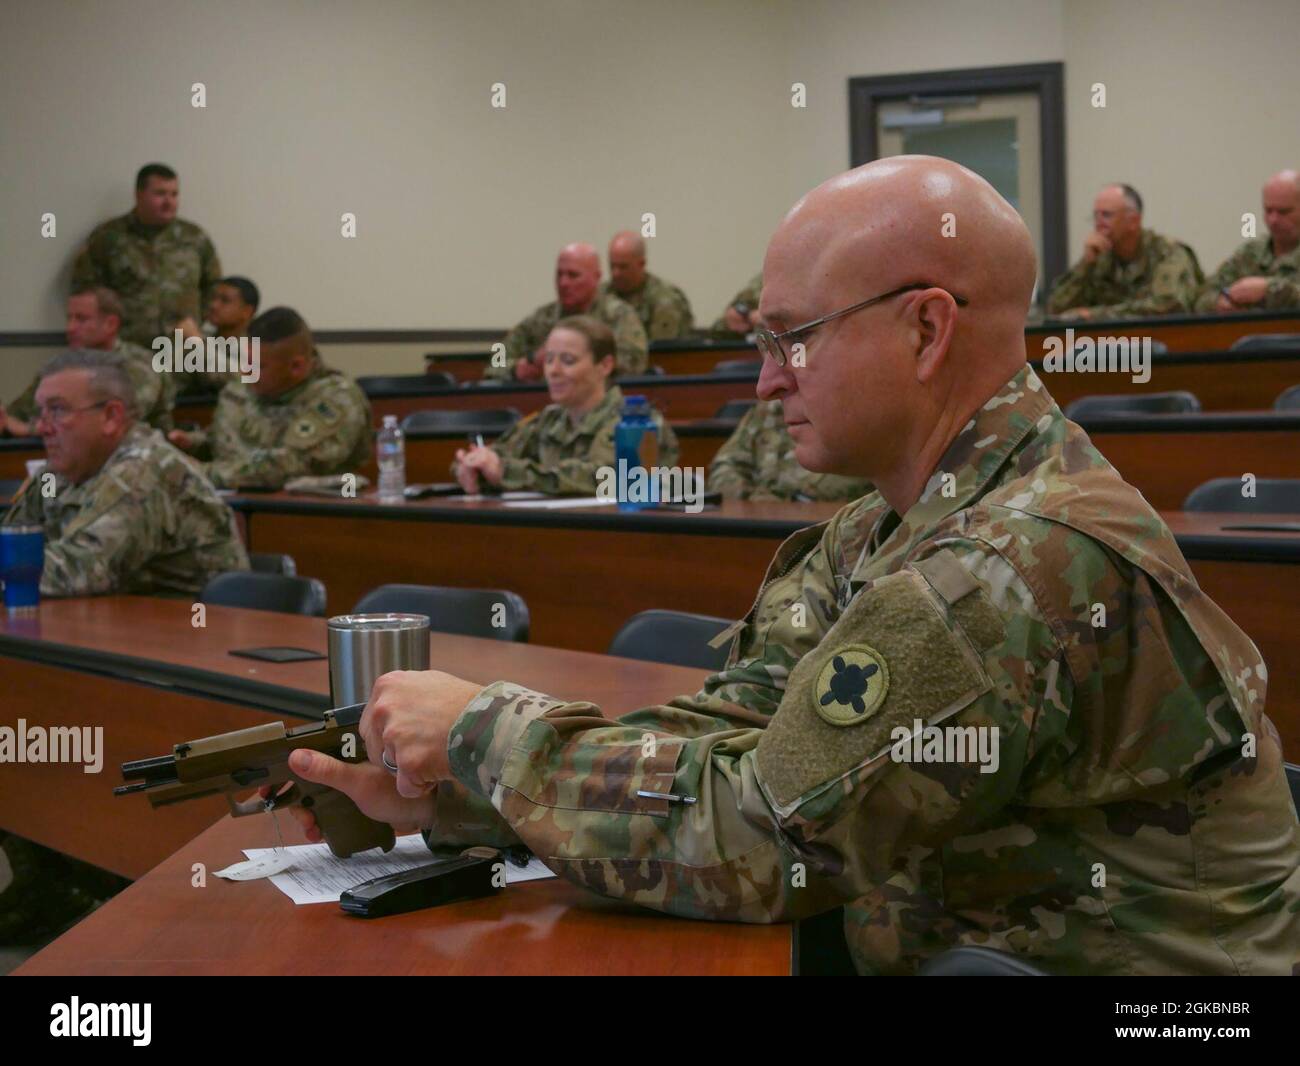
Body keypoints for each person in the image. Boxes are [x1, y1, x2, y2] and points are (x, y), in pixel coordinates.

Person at [280, 157, 1300, 976]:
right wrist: (467, 787)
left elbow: (761, 835)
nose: (765, 380)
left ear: (926, 328)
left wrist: (480, 730)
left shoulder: (1006, 567)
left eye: (792, 339)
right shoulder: (885, 525)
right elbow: (736, 734)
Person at [1, 350, 247, 596]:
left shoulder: (143, 472)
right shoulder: (54, 477)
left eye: (57, 410)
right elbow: (15, 534)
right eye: (40, 413)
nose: (42, 427)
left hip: (197, 625)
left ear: (111, 416)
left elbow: (79, 568)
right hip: (114, 621)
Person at [454, 316, 678, 495]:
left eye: (568, 361)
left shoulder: (637, 422)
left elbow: (604, 477)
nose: (553, 370)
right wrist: (474, 467)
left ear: (605, 365)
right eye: (549, 360)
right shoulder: (548, 420)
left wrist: (506, 471)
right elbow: (496, 455)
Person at [168, 307, 371, 491]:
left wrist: (202, 473)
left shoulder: (336, 399)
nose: (246, 372)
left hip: (307, 517)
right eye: (245, 361)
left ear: (296, 367)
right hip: (229, 502)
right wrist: (195, 443)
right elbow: (231, 439)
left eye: (257, 366)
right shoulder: (245, 388)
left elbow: (290, 464)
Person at [70, 163, 222, 348]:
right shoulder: (108, 237)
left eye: (174, 194)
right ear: (139, 195)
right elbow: (85, 290)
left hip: (181, 348)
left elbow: (214, 287)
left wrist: (195, 322)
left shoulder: (194, 238)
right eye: (160, 194)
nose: (169, 202)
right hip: (127, 347)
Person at [1, 287, 174, 437]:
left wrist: (30, 429)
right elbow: (16, 413)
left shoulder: (140, 364)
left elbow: (112, 422)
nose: (70, 328)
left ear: (110, 324)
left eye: (81, 319)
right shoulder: (63, 366)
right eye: (69, 319)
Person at [485, 243, 648, 382]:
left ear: (596, 277)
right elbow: (495, 362)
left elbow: (633, 365)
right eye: (559, 275)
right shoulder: (541, 318)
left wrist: (573, 363)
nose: (563, 283)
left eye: (573, 275)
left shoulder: (618, 315)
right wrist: (517, 370)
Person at [1046, 184, 1201, 319]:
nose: (1098, 224)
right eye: (1095, 216)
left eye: (1106, 215)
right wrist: (1086, 264)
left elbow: (1168, 306)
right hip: (1111, 346)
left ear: (1133, 221)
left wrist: (1095, 315)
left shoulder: (1168, 253)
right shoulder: (1099, 256)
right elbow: (1056, 308)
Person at [708, 399, 872, 501]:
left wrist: (791, 501)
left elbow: (854, 476)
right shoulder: (766, 410)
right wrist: (751, 497)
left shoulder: (849, 409)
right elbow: (725, 465)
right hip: (754, 522)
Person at [1196, 170, 1300, 312]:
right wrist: (1219, 302)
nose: (1273, 220)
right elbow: (1201, 296)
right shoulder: (1251, 253)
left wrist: (1269, 290)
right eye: (1268, 211)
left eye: (1284, 212)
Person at [171, 275, 261, 393]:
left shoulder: (259, 347)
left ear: (247, 311)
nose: (213, 305)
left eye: (225, 301)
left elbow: (241, 379)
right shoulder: (204, 339)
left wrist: (197, 342)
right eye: (213, 299)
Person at [600, 231, 694, 340]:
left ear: (642, 264)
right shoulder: (602, 294)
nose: (616, 273)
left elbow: (662, 351)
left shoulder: (664, 299)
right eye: (612, 266)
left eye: (623, 267)